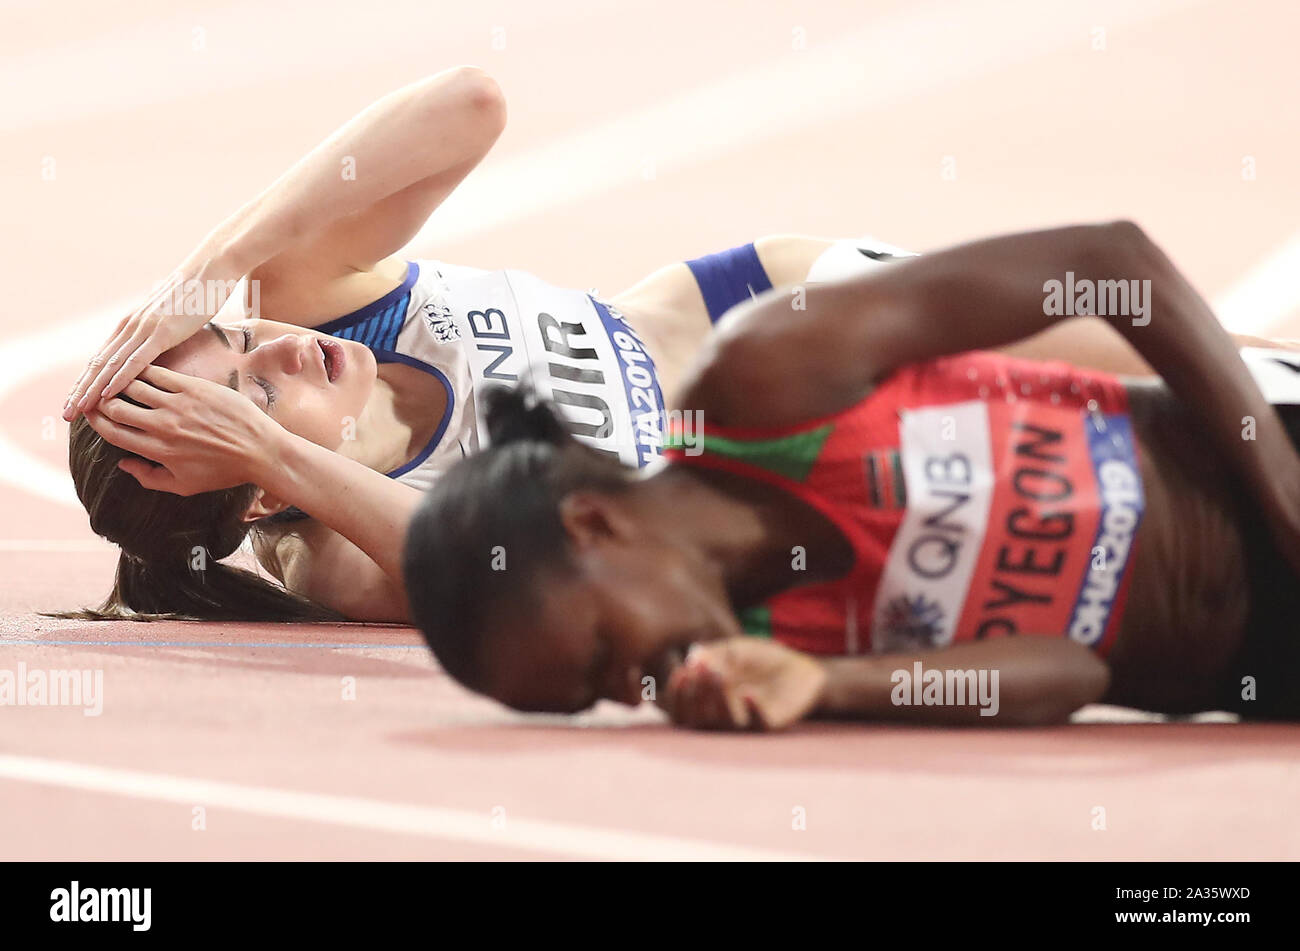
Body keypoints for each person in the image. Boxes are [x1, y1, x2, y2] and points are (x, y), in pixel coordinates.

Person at [61, 68, 1217, 622]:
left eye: (239, 336)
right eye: (255, 400)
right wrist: (274, 459)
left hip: (769, 301)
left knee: (1204, 360)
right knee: (1175, 458)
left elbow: (469, 106)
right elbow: (498, 561)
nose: (277, 349)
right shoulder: (342, 555)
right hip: (814, 456)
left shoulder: (324, 311)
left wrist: (207, 270)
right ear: (264, 488)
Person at [400, 222, 1300, 728]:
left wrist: (1282, 488)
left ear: (593, 522)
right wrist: (829, 686)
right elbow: (1072, 671)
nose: (634, 690)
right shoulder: (770, 651)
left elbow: (1112, 266)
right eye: (596, 697)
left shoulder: (764, 377)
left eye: (603, 654)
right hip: (1266, 670)